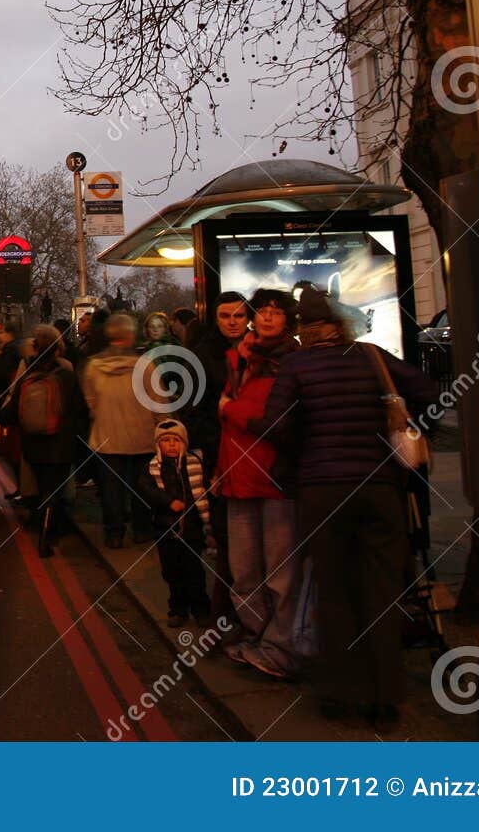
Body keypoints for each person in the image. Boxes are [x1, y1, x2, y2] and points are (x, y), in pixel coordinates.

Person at [252, 289, 439, 732]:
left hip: (323, 491)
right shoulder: (372, 356)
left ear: (304, 329)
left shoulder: (297, 365)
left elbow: (277, 425)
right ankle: (384, 700)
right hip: (378, 488)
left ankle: (341, 695)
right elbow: (429, 391)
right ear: (342, 325)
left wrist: (306, 448)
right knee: (379, 591)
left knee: (334, 592)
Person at [217, 287, 301, 680]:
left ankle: (281, 647)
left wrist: (230, 409)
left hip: (275, 477)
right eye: (262, 311)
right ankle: (259, 637)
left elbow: (272, 417)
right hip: (238, 475)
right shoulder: (237, 358)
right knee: (244, 569)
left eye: (276, 312)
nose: (267, 317)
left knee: (280, 571)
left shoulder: (294, 362)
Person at [185, 291, 250, 631]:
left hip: (258, 459)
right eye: (225, 316)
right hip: (221, 458)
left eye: (238, 315)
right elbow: (192, 413)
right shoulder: (200, 357)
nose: (232, 322)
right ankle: (224, 617)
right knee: (227, 538)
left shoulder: (259, 352)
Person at [0, 325, 87, 556]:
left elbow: (8, 413)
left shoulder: (27, 373)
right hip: (61, 445)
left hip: (33, 445)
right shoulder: (67, 376)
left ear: (35, 346)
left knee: (42, 488)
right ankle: (47, 537)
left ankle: (44, 527)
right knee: (53, 490)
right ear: (58, 348)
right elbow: (81, 409)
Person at [80, 312, 161, 548]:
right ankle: (141, 529)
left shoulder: (94, 366)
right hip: (142, 436)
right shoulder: (145, 366)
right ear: (131, 336)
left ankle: (114, 533)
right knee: (141, 487)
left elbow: (90, 401)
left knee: (110, 490)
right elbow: (158, 401)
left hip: (106, 437)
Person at [142, 418, 213, 625]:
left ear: (185, 442)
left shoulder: (194, 465)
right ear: (158, 444)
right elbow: (147, 491)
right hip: (165, 529)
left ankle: (201, 609)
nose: (172, 445)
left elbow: (202, 491)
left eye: (176, 440)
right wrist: (168, 502)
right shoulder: (152, 468)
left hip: (192, 529)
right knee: (171, 571)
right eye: (166, 440)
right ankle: (178, 609)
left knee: (194, 570)